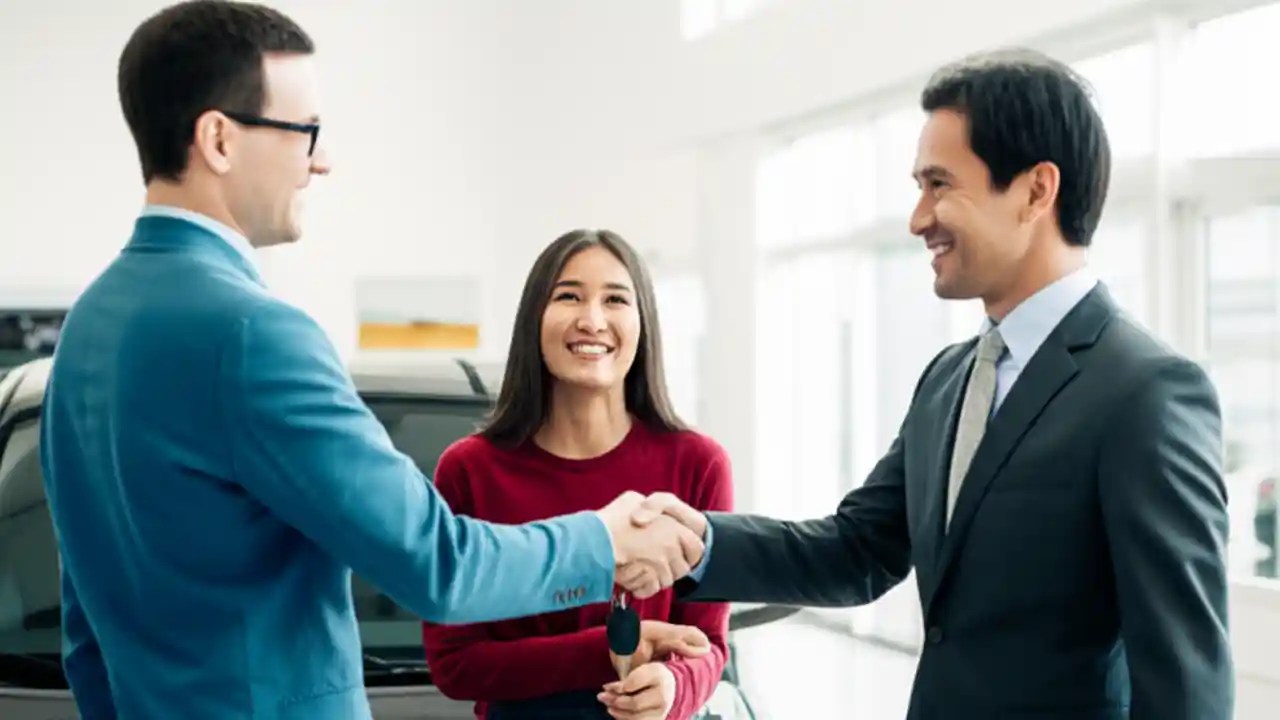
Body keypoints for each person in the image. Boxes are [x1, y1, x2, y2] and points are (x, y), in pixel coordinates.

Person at [38, 3, 700, 719]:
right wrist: (603, 540)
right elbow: (437, 564)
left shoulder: (89, 328)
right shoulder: (254, 334)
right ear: (219, 139)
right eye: (305, 132)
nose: (320, 160)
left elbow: (86, 631)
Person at [636, 49, 1233, 719]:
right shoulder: (949, 379)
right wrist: (698, 541)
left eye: (939, 184)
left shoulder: (1146, 393)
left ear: (1036, 190)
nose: (919, 218)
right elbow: (857, 551)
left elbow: (1185, 685)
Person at [421, 229, 733, 720]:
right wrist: (605, 653)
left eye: (615, 299)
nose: (592, 320)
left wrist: (676, 687)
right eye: (569, 296)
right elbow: (454, 664)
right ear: (534, 319)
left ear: (643, 322)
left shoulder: (697, 463)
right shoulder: (470, 470)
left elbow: (710, 644)